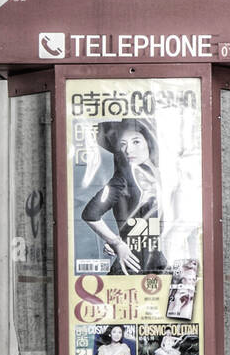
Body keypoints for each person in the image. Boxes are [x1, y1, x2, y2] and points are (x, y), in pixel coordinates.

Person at [79, 116, 200, 275]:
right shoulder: (123, 179)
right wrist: (117, 243)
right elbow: (90, 214)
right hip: (134, 270)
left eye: (136, 142)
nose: (128, 150)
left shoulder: (165, 176)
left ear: (149, 142)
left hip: (165, 265)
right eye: (123, 144)